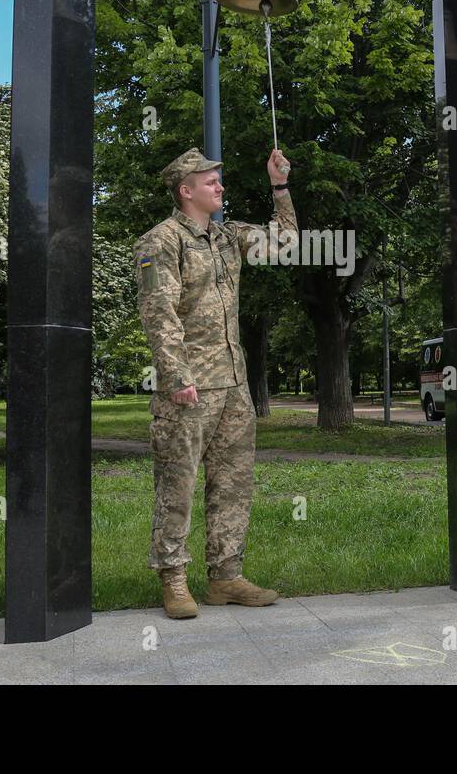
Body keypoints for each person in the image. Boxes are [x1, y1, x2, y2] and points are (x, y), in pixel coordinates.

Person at [135, 147, 296, 619]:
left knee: (232, 484)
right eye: (211, 182)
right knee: (177, 484)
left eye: (219, 180)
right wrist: (176, 376)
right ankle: (174, 579)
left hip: (232, 384)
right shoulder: (160, 241)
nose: (220, 187)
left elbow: (286, 244)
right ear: (186, 191)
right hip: (190, 386)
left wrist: (279, 186)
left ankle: (225, 578)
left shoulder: (227, 237)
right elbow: (158, 313)